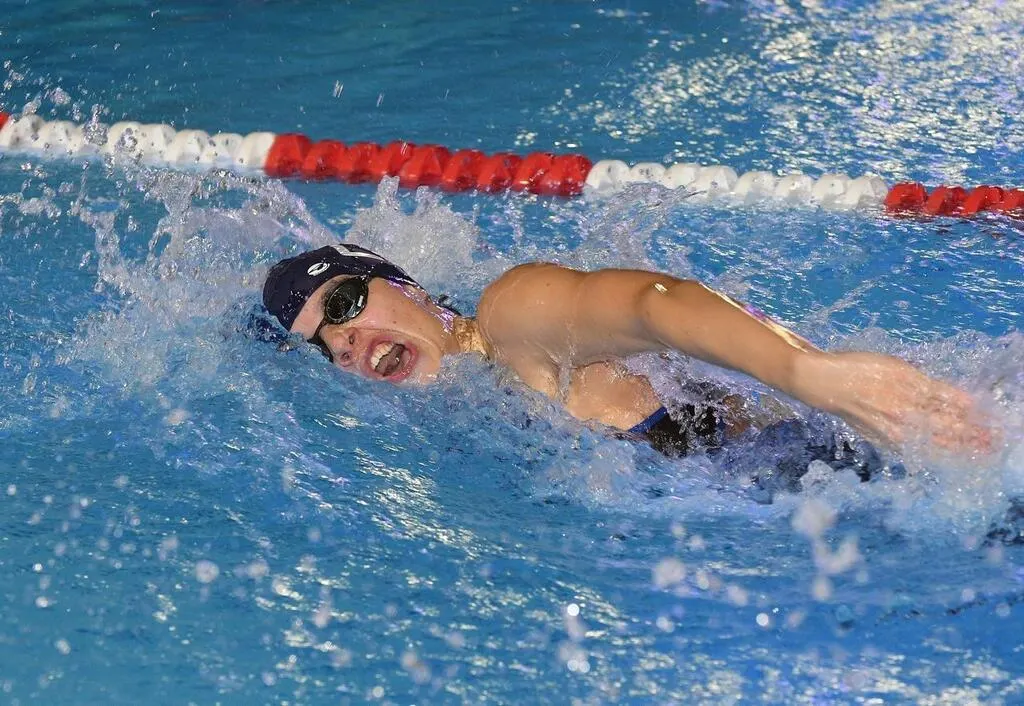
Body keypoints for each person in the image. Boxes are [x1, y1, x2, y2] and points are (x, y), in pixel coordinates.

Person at [261, 242, 994, 461]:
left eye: (344, 305)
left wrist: (809, 373)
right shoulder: (470, 404)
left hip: (864, 462)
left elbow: (657, 305)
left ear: (407, 287)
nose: (346, 343)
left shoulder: (515, 318)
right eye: (325, 349)